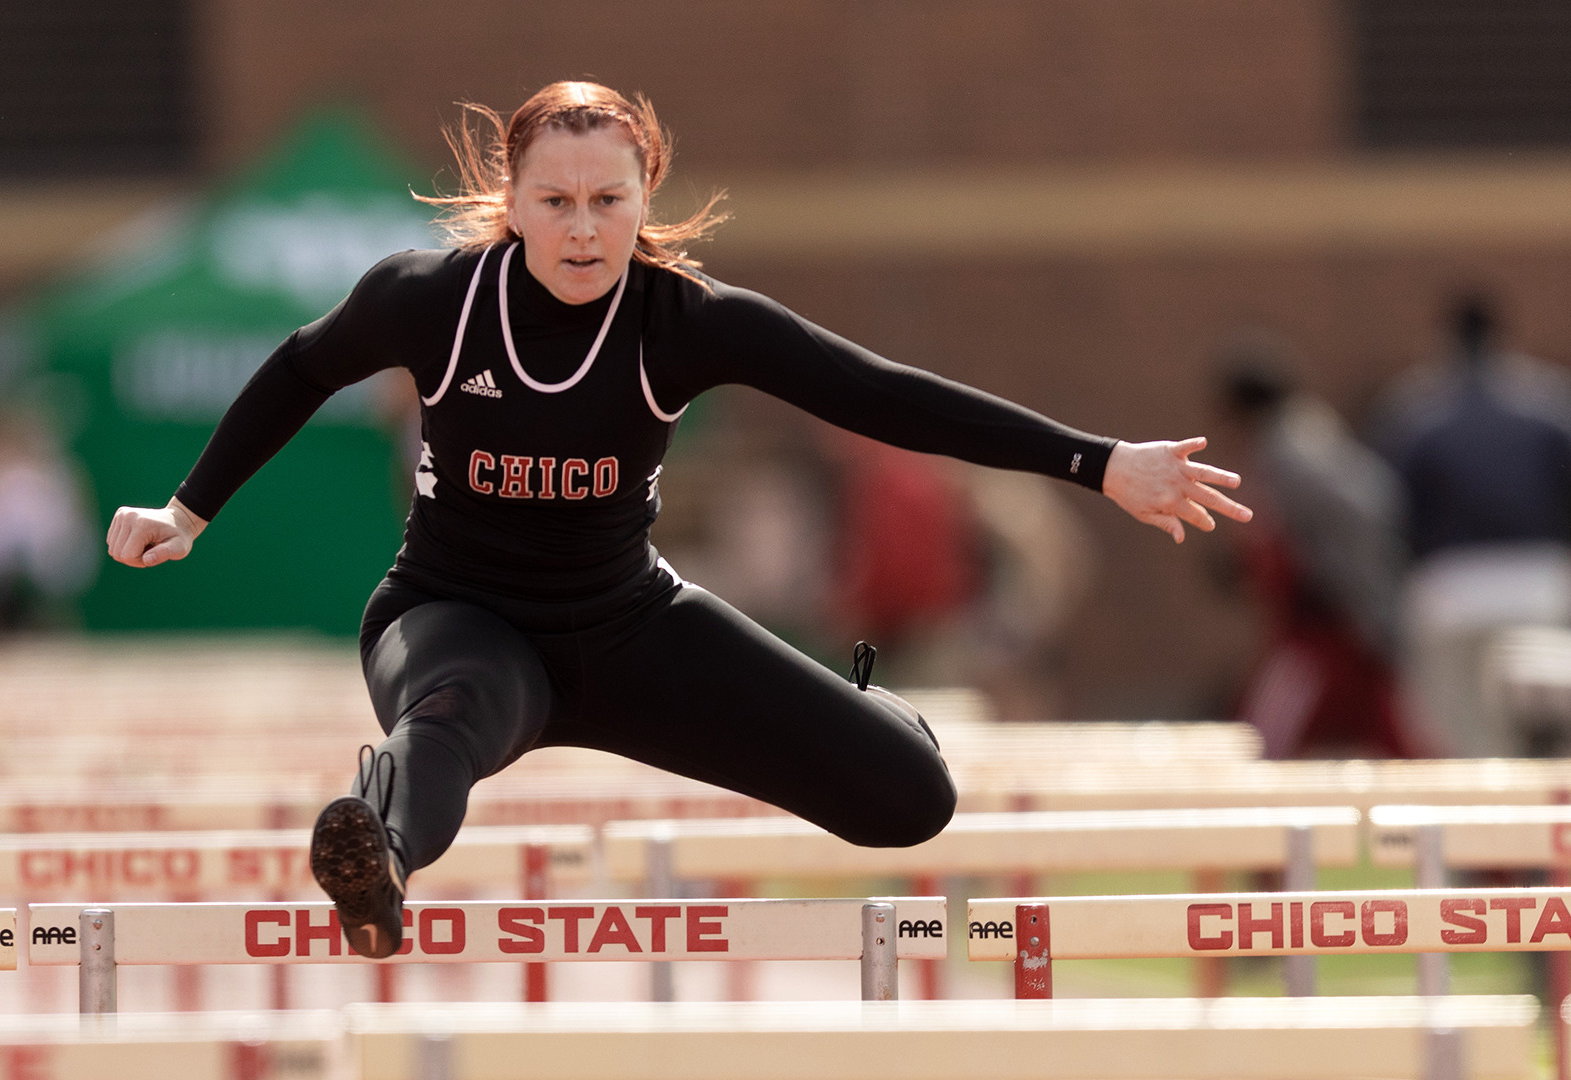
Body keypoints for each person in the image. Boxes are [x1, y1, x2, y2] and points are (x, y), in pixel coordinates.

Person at [105, 82, 1251, 957]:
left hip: (630, 630)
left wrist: (1097, 463)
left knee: (912, 801)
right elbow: (301, 369)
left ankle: (875, 719)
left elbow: (882, 393)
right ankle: (376, 859)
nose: (582, 230)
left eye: (609, 200)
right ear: (511, 201)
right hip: (457, 620)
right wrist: (188, 507)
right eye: (554, 202)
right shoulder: (431, 300)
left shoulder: (685, 321)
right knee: (442, 727)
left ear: (645, 195)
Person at [1373, 295, 1571, 756]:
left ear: (1447, 340)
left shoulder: (1417, 410)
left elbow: (1393, 510)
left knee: (1459, 736)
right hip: (1538, 580)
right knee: (1544, 732)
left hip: (1450, 588)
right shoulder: (1547, 404)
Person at [1213, 335, 1417, 758]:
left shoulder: (1290, 448)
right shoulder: (1304, 437)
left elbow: (1355, 516)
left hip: (1331, 624)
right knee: (1391, 737)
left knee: (1265, 743)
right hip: (1348, 618)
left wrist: (1326, 578)